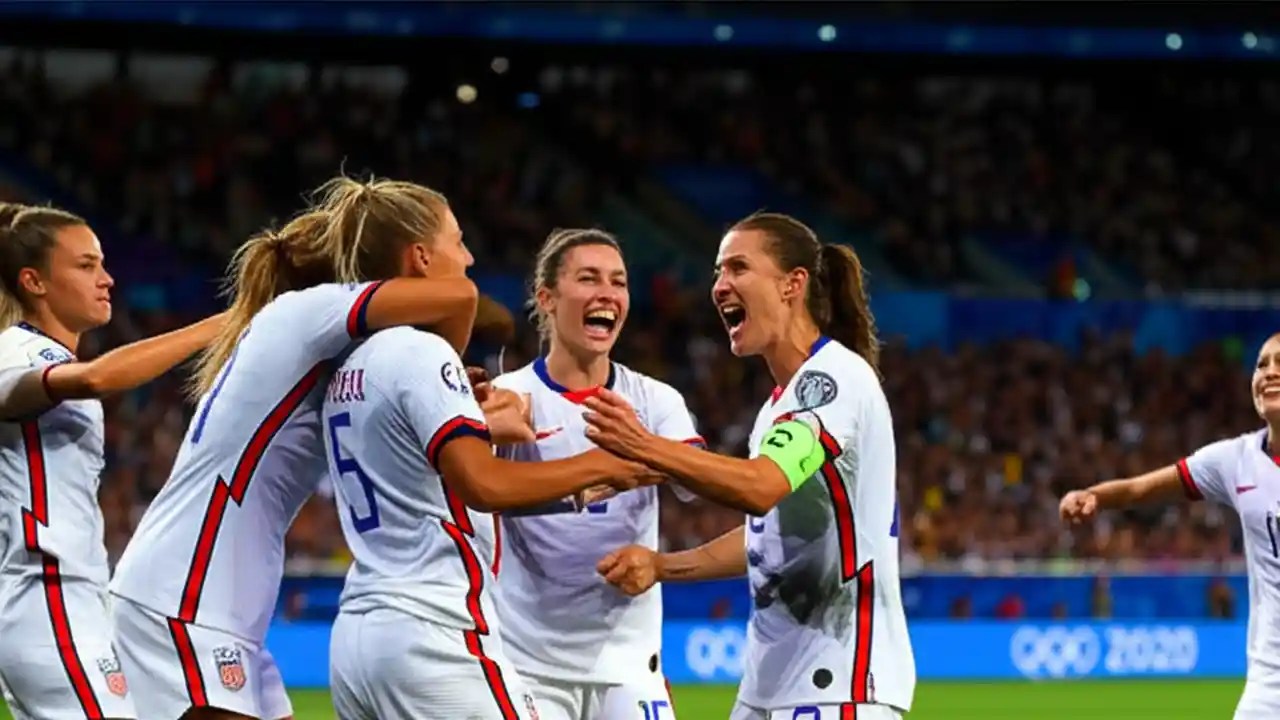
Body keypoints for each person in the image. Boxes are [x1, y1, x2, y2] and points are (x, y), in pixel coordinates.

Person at [108, 177, 499, 720]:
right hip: (186, 592)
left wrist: (445, 395)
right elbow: (461, 296)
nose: (469, 258)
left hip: (217, 601)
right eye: (458, 242)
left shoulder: (324, 352)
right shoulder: (307, 311)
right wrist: (443, 364)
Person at [586, 212, 915, 720]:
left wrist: (644, 445)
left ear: (792, 284)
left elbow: (760, 487)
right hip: (772, 684)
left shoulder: (831, 380)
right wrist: (661, 566)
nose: (720, 285)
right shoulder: (778, 407)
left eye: (738, 268)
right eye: (718, 272)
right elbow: (769, 537)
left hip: (836, 685)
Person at [323, 311, 664, 719]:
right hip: (432, 630)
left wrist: (578, 491)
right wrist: (598, 465)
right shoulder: (421, 354)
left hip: (357, 628)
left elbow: (444, 493)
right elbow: (486, 487)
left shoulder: (349, 370)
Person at [0, 203, 224, 720]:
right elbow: (97, 378)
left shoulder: (46, 355)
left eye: (101, 263)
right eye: (86, 266)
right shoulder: (16, 354)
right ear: (34, 282)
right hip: (47, 597)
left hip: (68, 599)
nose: (106, 279)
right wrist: (221, 324)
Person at [486, 229, 702, 720]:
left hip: (629, 664)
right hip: (527, 665)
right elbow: (475, 493)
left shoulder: (655, 400)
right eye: (588, 279)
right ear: (547, 298)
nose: (607, 293)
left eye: (618, 282)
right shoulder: (508, 399)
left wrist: (638, 453)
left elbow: (697, 478)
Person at [1059, 332, 1280, 720]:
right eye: (1262, 364)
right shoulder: (1236, 460)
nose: (1269, 372)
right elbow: (1139, 489)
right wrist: (1094, 496)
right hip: (1269, 686)